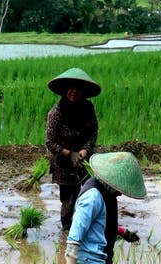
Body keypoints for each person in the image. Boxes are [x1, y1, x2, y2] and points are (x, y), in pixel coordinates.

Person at [45, 67, 101, 232]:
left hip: (84, 160)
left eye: (77, 88)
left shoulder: (88, 108)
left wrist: (84, 151)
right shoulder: (56, 113)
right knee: (69, 200)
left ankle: (84, 227)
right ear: (64, 90)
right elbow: (50, 142)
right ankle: (67, 232)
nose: (74, 91)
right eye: (70, 88)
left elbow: (93, 132)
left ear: (83, 91)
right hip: (63, 162)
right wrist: (70, 154)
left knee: (87, 194)